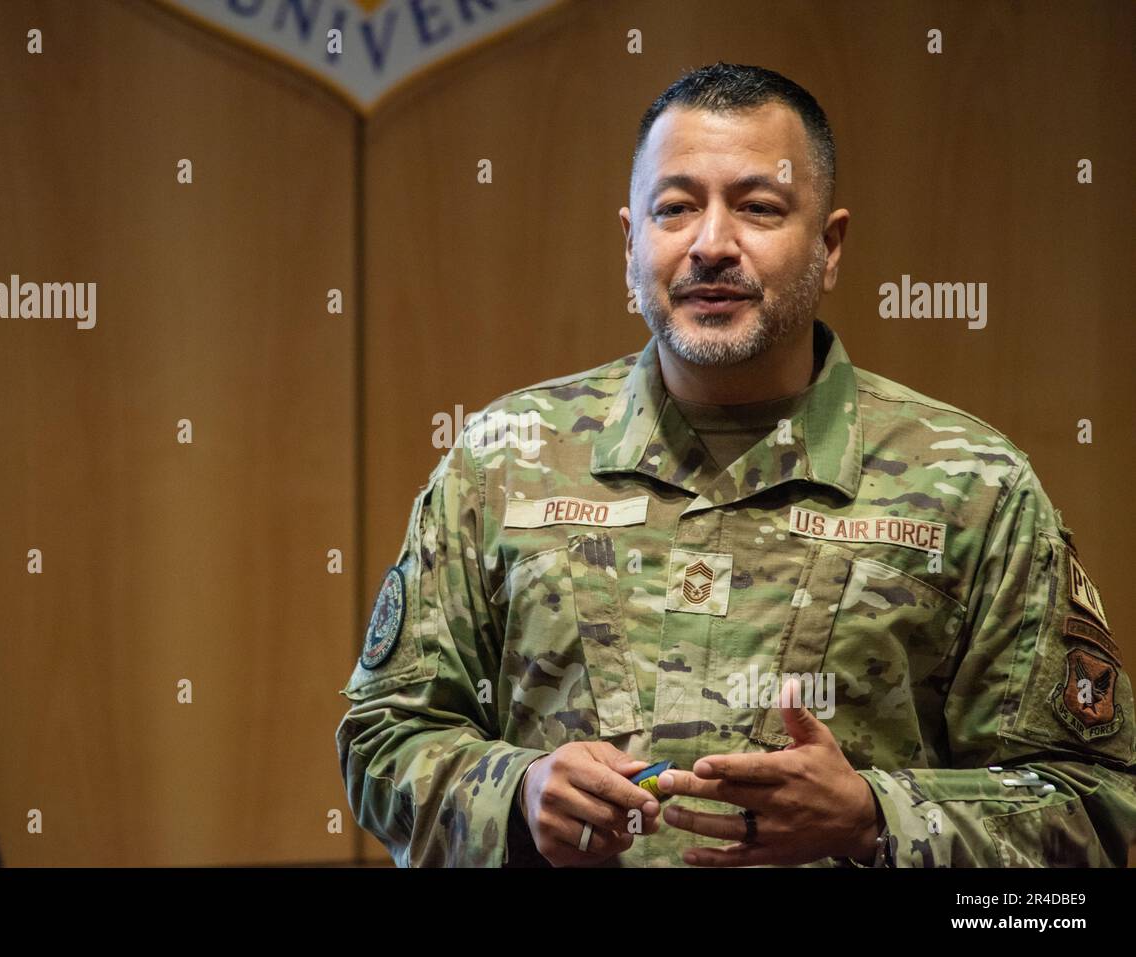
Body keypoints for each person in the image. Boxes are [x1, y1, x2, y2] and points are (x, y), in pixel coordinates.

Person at [334, 62, 1136, 867]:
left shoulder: (973, 483)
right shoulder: (502, 457)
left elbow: (1093, 801)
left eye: (758, 207)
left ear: (828, 247)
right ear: (630, 243)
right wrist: (515, 792)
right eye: (675, 208)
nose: (711, 244)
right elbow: (382, 736)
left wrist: (875, 816)